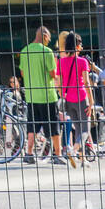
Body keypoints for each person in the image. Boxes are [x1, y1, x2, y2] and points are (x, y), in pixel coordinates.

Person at [18, 26, 68, 166]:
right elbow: (53, 74)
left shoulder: (24, 51)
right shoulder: (47, 52)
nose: (49, 41)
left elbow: (22, 73)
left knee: (32, 125)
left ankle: (29, 154)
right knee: (54, 125)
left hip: (31, 96)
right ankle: (57, 155)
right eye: (49, 38)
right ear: (45, 36)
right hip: (47, 95)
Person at [58, 32, 94, 159]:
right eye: (81, 44)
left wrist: (62, 95)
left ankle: (83, 158)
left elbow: (59, 83)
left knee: (78, 129)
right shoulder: (82, 61)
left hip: (68, 100)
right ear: (77, 46)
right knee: (85, 130)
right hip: (81, 97)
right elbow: (87, 82)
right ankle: (73, 150)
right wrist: (92, 102)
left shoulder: (60, 62)